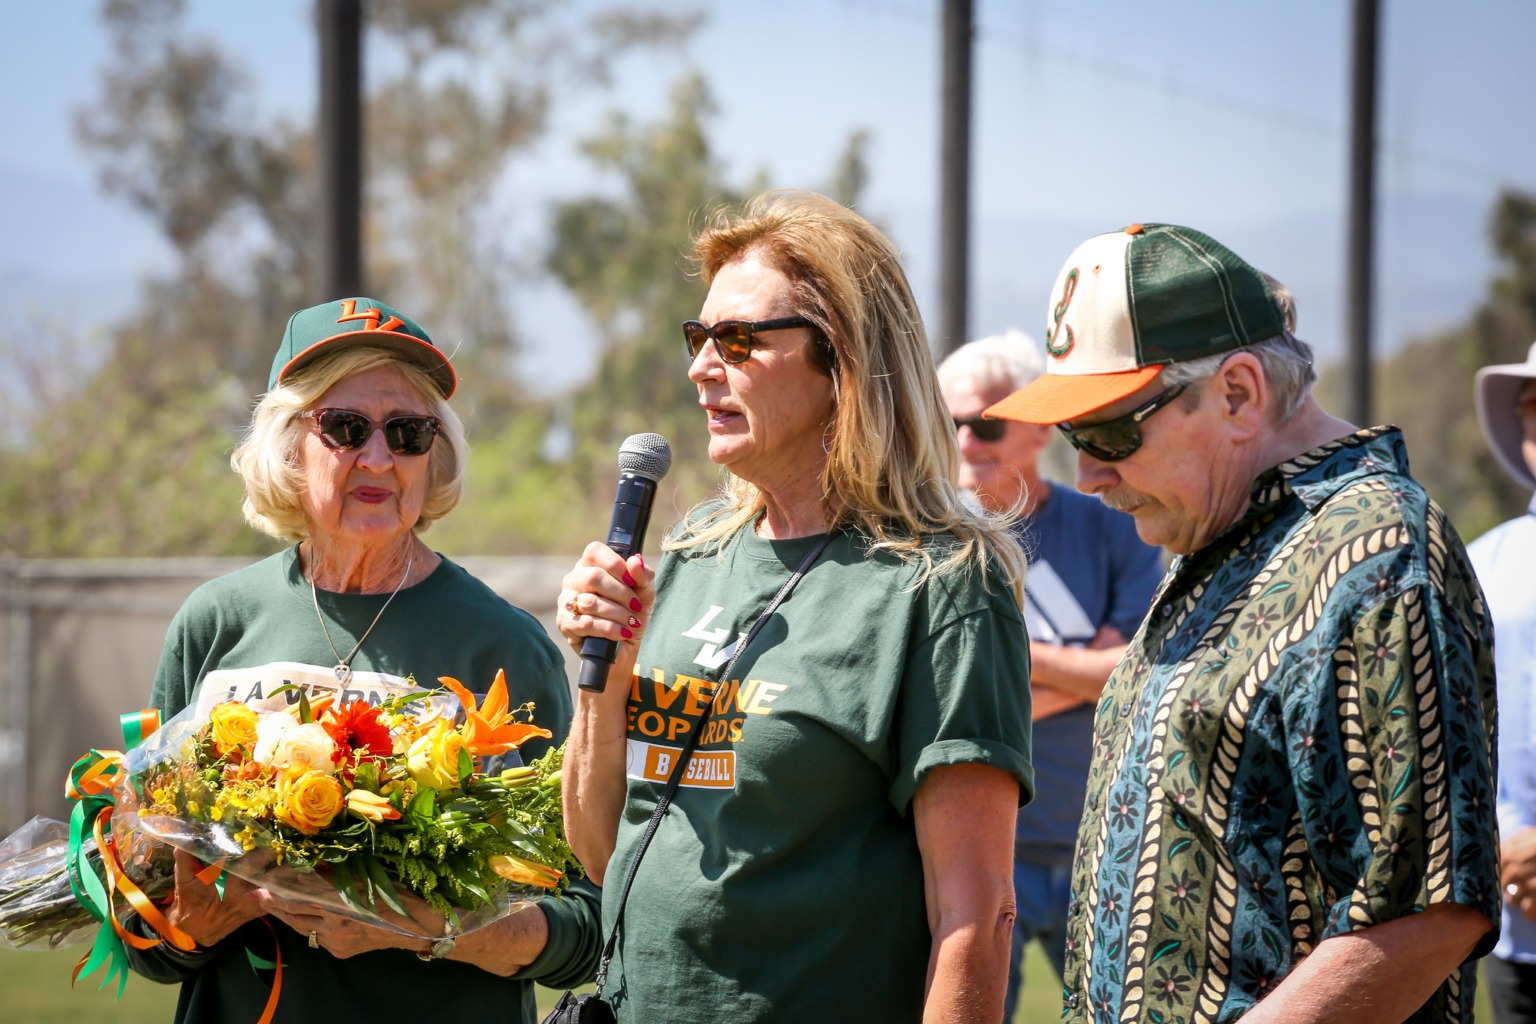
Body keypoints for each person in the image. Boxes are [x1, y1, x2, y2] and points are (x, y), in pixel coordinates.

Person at [985, 223, 1500, 1023]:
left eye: (1111, 431)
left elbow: (1428, 911)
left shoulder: (1377, 553)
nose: (1085, 473)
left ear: (1237, 393)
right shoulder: (1225, 537)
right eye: (1070, 434)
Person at [557, 189, 1034, 1022]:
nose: (704, 365)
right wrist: (606, 673)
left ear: (842, 359)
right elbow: (602, 854)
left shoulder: (943, 582)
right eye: (698, 337)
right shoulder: (693, 549)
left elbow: (975, 916)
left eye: (738, 340)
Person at [122, 298, 601, 1023]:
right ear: (290, 444)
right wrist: (190, 927)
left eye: (408, 432)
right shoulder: (214, 624)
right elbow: (143, 922)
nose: (379, 458)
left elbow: (585, 931)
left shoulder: (503, 647)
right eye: (346, 429)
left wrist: (430, 929)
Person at [936, 332, 1163, 1020]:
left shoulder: (1114, 525)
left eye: (985, 422)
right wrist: (1083, 674)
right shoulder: (933, 541)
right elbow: (942, 700)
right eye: (951, 423)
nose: (966, 441)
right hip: (977, 853)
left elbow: (1134, 673)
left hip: (1103, 840)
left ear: (1038, 428)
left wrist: (1003, 668)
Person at [1468, 341, 1536, 1023]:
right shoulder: (1478, 565)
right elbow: (1458, 735)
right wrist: (1509, 841)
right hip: (1516, 924)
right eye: (1533, 406)